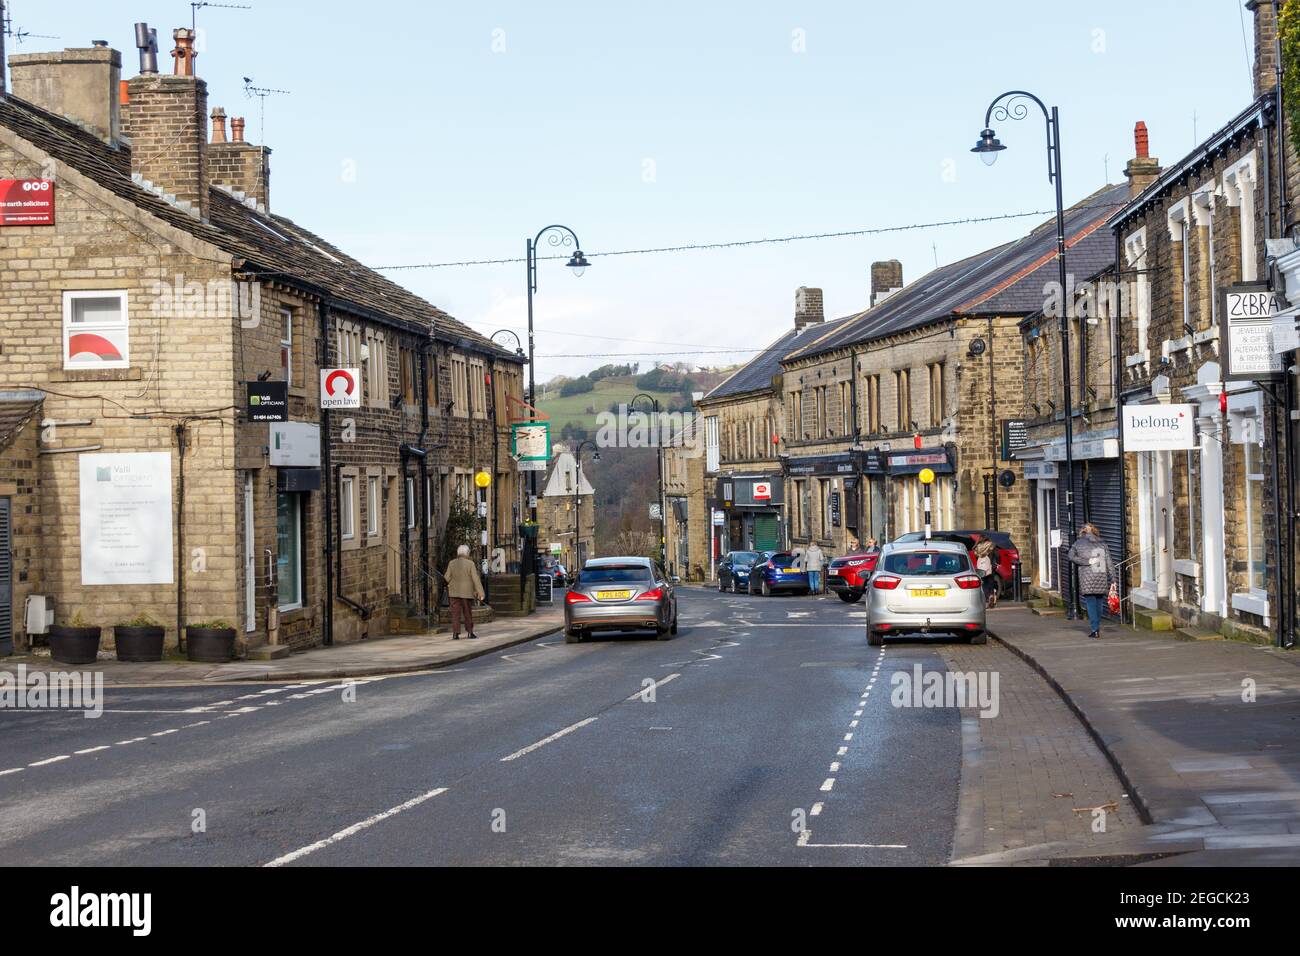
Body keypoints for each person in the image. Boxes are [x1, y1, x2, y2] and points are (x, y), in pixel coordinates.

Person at [1066, 523, 1115, 640]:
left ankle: (1095, 629)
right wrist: (1113, 579)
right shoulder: (1102, 543)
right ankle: (1097, 626)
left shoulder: (1078, 543)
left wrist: (1087, 561)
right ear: (1094, 530)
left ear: (1082, 532)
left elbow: (1070, 556)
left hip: (1087, 577)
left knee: (1091, 603)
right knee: (1098, 602)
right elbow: (1109, 562)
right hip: (1101, 575)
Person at [444, 544, 485, 640]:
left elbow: (446, 577)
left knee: (455, 614)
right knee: (467, 613)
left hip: (454, 592)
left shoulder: (451, 563)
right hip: (467, 593)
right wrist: (481, 593)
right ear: (467, 553)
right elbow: (475, 578)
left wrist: (450, 583)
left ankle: (455, 633)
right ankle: (470, 632)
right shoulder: (470, 564)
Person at [973, 533, 998, 609]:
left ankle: (987, 599)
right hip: (990, 567)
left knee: (984, 584)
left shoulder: (978, 547)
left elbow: (976, 556)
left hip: (981, 568)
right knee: (990, 582)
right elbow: (997, 556)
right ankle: (991, 595)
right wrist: (996, 562)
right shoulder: (992, 545)